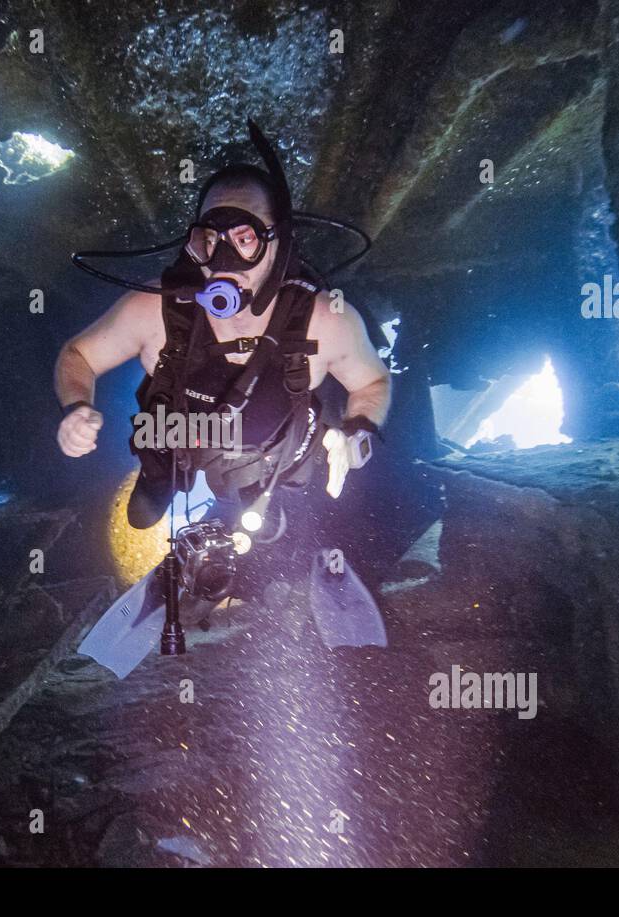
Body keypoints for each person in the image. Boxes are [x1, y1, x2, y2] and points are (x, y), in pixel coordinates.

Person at [55, 124, 390, 591]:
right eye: (210, 239)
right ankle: (161, 477)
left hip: (270, 455)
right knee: (149, 493)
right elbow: (79, 355)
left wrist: (357, 433)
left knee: (267, 503)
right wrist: (76, 406)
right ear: (194, 243)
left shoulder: (325, 319)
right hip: (175, 439)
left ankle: (252, 496)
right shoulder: (153, 310)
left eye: (245, 237)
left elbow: (372, 384)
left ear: (278, 241)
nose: (224, 258)